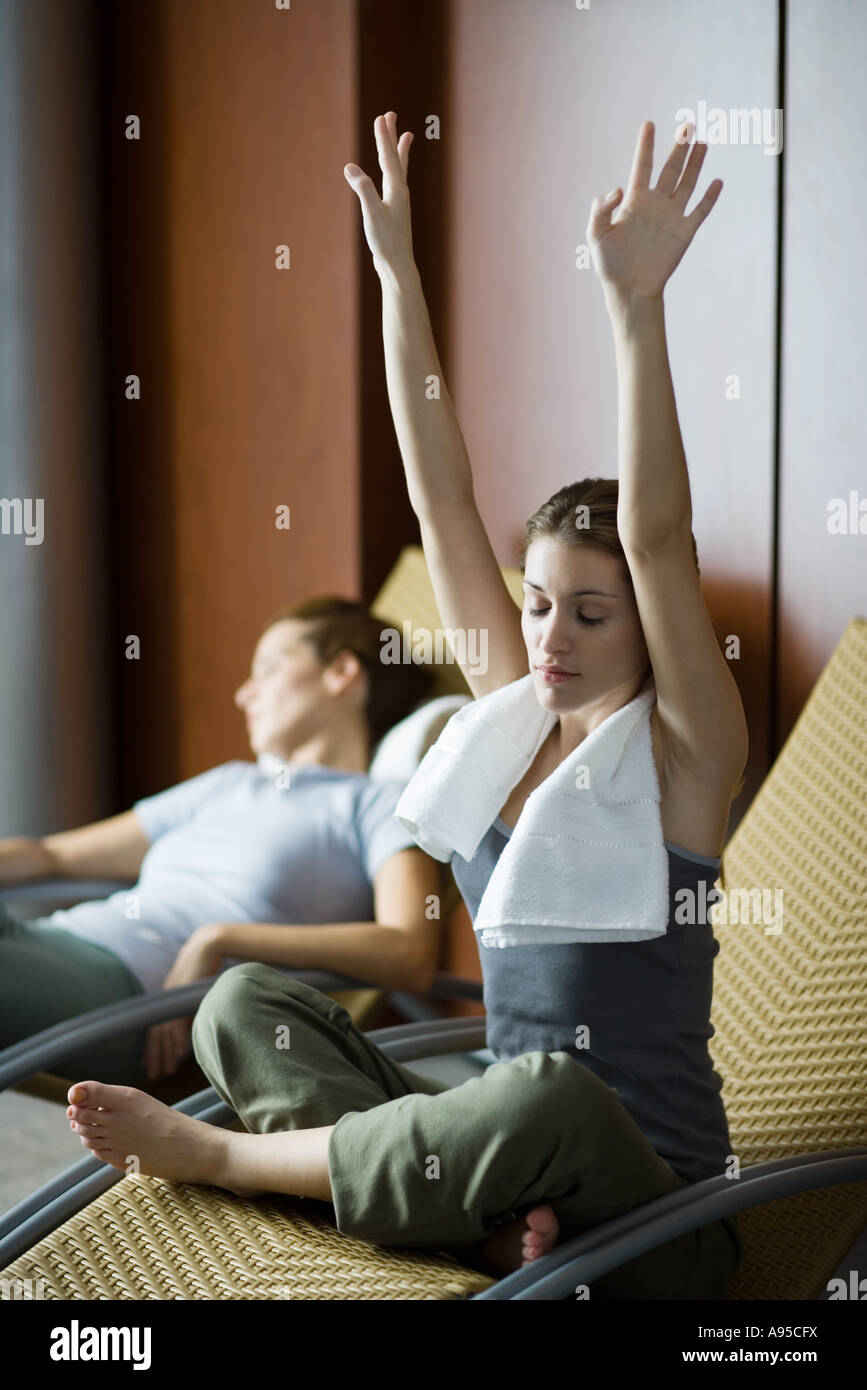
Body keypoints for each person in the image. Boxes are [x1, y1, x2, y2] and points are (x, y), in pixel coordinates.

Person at [64, 114, 748, 1298]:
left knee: (544, 1093)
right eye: (538, 605)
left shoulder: (687, 758)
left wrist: (635, 309)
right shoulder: (513, 716)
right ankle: (473, 1236)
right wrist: (396, 272)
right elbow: (439, 498)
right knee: (243, 1004)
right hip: (494, 1167)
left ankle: (229, 1155)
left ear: (652, 629)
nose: (550, 639)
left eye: (593, 615)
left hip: (655, 1214)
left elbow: (660, 535)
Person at [0, 597, 442, 1086]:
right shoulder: (230, 784)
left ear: (340, 672)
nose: (242, 694)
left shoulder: (377, 806)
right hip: (50, 940)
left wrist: (220, 937)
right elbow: (51, 855)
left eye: (268, 668)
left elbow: (409, 951)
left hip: (121, 995)